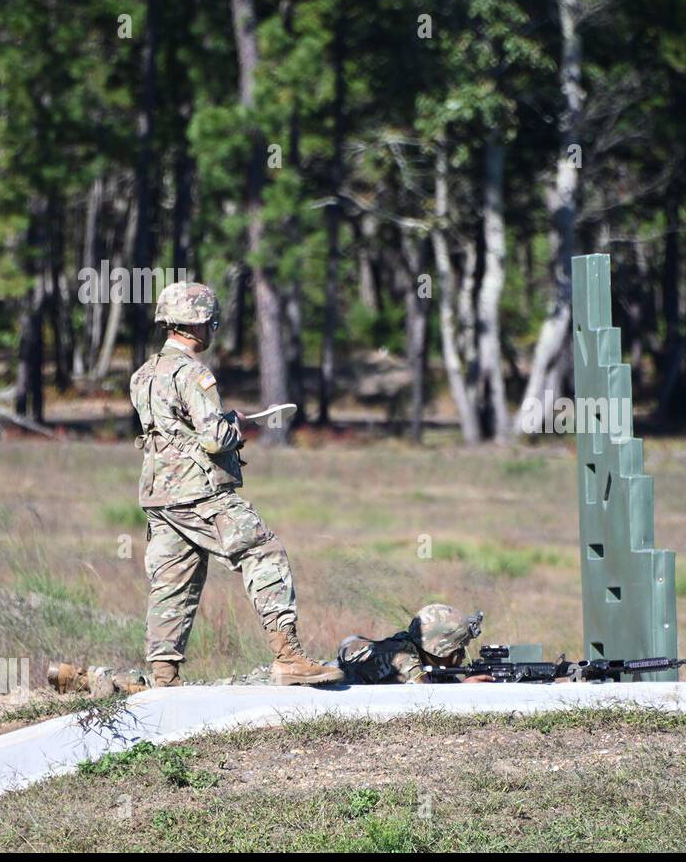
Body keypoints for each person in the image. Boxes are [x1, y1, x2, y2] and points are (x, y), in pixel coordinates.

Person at [128, 281, 342, 688]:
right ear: (199, 325)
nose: (213, 329)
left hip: (159, 494)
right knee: (263, 550)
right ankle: (288, 656)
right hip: (198, 492)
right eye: (211, 323)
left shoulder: (143, 375)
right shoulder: (193, 373)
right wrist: (235, 426)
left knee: (174, 579)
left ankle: (163, 674)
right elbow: (212, 438)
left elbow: (168, 427)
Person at [336, 604, 494, 684]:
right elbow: (426, 703)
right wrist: (465, 690)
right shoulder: (402, 656)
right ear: (440, 648)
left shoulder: (421, 657)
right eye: (458, 650)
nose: (462, 657)